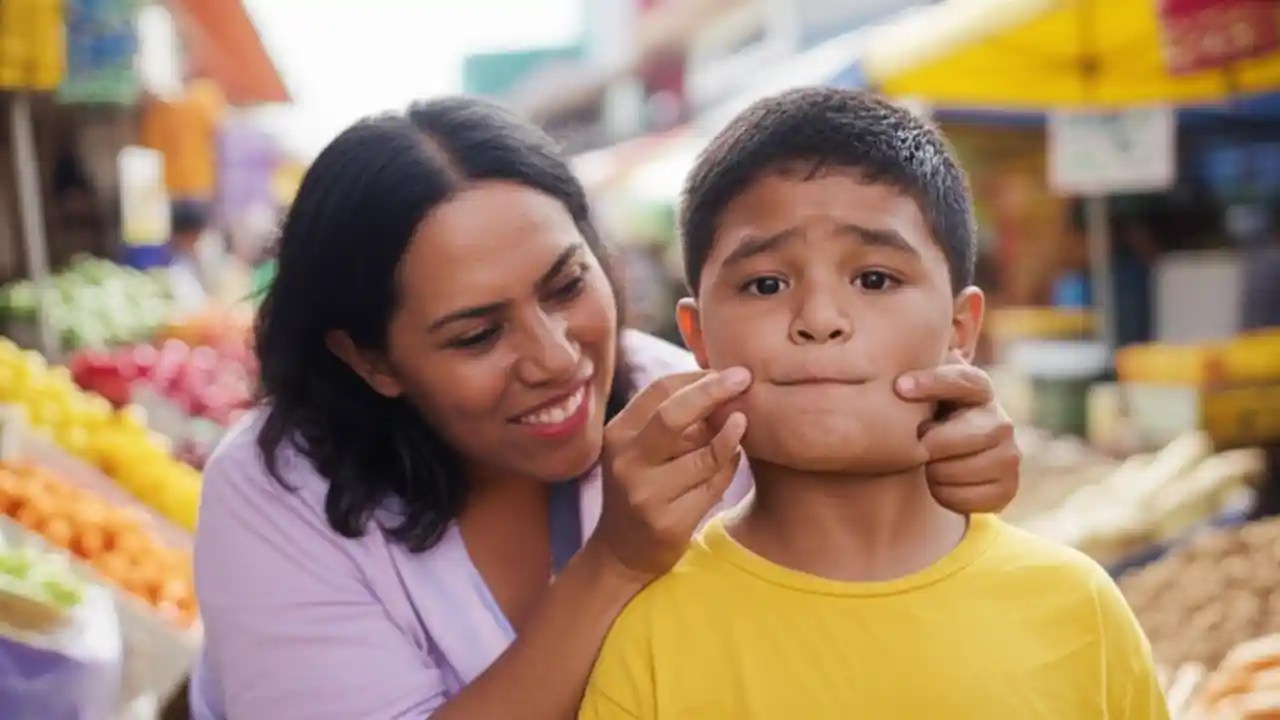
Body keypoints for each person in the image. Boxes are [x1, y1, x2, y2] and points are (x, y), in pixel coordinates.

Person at [191, 96, 1024, 720]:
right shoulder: (274, 493)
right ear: (370, 358)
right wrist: (615, 564)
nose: (557, 359)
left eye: (567, 286)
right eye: (478, 335)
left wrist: (939, 455)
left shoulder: (689, 399)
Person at [579, 89, 1167, 719]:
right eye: (766, 284)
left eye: (875, 279)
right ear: (697, 338)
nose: (820, 318)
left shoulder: (1078, 611)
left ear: (960, 330)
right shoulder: (649, 641)